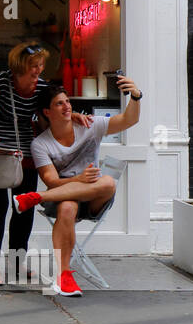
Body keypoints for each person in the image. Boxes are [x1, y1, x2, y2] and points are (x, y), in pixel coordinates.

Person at [0, 42, 92, 287]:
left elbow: (55, 110)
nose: (38, 70)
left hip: (25, 149)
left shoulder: (42, 88)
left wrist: (74, 115)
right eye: (33, 66)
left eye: (41, 65)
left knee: (23, 207)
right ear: (19, 66)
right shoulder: (2, 82)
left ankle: (17, 260)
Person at [16, 75, 143, 297]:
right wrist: (78, 180)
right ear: (47, 112)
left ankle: (36, 197)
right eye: (59, 103)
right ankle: (63, 275)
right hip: (63, 198)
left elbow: (128, 121)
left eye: (67, 101)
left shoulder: (90, 126)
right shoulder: (41, 144)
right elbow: (52, 182)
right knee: (67, 206)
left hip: (94, 197)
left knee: (107, 182)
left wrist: (136, 96)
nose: (66, 106)